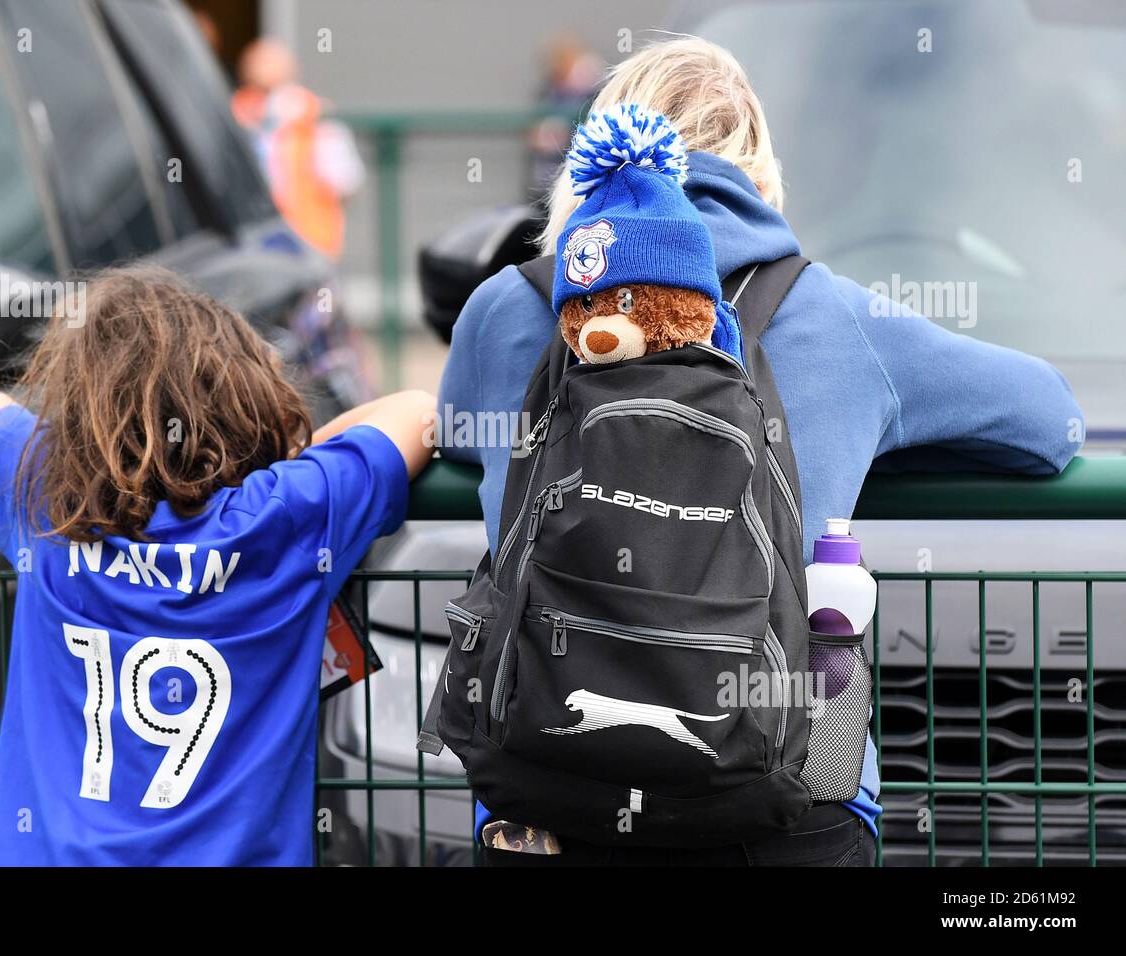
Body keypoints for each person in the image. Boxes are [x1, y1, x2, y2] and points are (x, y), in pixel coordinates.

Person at [437, 36, 1084, 866]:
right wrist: (864, 437)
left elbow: (461, 433)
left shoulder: (507, 309)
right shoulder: (840, 318)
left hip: (548, 803)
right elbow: (1050, 424)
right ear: (760, 175)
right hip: (791, 806)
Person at [0, 267, 434, 865]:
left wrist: (77, 449)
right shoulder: (287, 516)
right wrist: (296, 463)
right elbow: (418, 411)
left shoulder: (47, 492)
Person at [232, 37, 365, 260]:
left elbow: (344, 181)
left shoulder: (315, 119)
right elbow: (346, 183)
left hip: (303, 242)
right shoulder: (237, 115)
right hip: (278, 246)